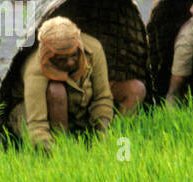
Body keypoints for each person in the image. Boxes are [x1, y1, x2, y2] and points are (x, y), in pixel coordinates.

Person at [6, 16, 113, 151]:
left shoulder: (93, 48)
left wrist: (101, 139)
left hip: (78, 110)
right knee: (56, 91)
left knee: (134, 89)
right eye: (61, 59)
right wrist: (57, 155)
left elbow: (102, 98)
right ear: (48, 55)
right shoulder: (35, 69)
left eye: (73, 55)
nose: (69, 63)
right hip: (35, 114)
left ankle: (87, 136)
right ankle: (61, 140)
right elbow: (37, 124)